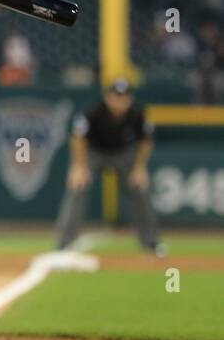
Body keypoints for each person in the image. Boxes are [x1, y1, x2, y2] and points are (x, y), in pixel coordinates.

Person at [55, 78, 163, 255]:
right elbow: (78, 138)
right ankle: (65, 242)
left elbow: (146, 141)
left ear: (130, 99)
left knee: (139, 191)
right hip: (94, 152)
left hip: (122, 154)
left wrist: (139, 168)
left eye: (124, 97)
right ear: (107, 97)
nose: (120, 101)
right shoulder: (93, 113)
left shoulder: (137, 115)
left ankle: (151, 243)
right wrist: (79, 167)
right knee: (77, 189)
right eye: (116, 96)